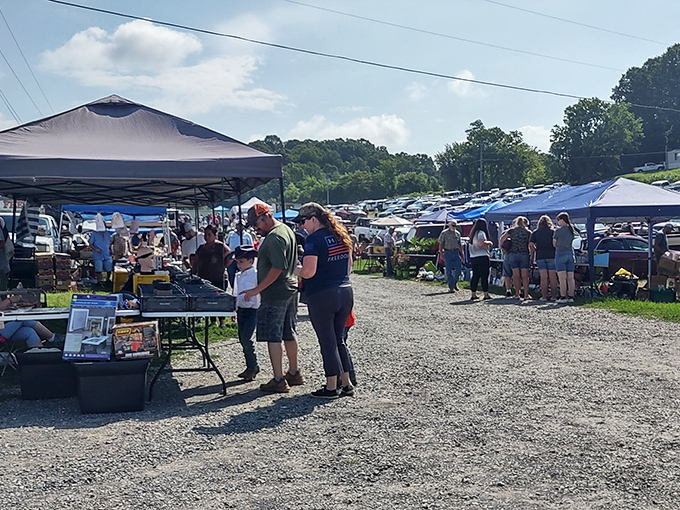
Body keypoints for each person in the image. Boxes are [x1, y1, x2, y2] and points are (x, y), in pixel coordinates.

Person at [294, 203, 354, 398]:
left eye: (303, 222)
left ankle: (330, 386)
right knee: (339, 340)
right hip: (345, 291)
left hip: (322, 294)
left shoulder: (313, 240)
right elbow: (350, 266)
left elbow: (309, 272)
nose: (301, 226)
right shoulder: (340, 235)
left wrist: (294, 269)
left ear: (313, 219)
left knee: (327, 341)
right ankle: (346, 383)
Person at [243, 204, 303, 393]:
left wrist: (256, 289)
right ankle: (294, 372)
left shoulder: (275, 237)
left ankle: (278, 379)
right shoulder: (286, 230)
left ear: (266, 216)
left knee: (273, 336)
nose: (255, 228)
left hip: (275, 292)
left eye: (256, 223)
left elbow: (277, 267)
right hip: (290, 288)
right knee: (288, 331)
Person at [230, 245, 261, 381]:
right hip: (242, 309)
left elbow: (260, 290)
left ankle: (253, 366)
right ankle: (250, 366)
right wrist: (233, 308)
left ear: (250, 261)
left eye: (241, 262)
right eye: (237, 262)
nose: (239, 264)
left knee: (247, 338)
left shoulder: (256, 275)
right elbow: (235, 293)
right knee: (242, 338)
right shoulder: (238, 276)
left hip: (253, 310)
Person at [193, 224, 231, 328]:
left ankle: (222, 320)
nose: (207, 237)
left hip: (218, 278)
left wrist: (223, 265)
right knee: (208, 300)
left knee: (219, 300)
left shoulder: (220, 246)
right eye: (205, 235)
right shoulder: (201, 248)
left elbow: (230, 255)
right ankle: (212, 320)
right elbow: (196, 261)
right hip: (205, 278)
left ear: (215, 235)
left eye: (209, 234)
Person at [500, 216, 532, 300]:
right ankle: (526, 295)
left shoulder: (511, 231)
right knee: (525, 276)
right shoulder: (528, 232)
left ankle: (517, 294)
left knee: (516, 275)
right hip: (524, 254)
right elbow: (530, 244)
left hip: (512, 254)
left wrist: (503, 249)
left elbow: (502, 239)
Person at [530, 215, 558, 301]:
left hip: (540, 256)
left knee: (543, 277)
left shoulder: (535, 232)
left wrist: (534, 251)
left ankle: (544, 296)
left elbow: (531, 244)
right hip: (552, 255)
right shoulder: (553, 232)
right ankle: (554, 296)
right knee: (553, 277)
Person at [553, 211, 577, 303]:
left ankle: (563, 296)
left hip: (560, 254)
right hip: (570, 254)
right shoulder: (571, 229)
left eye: (558, 220)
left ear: (562, 220)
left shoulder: (558, 231)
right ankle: (571, 296)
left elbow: (554, 244)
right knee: (570, 277)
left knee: (562, 278)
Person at [467, 218, 493, 300]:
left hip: (473, 257)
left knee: (475, 275)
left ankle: (473, 293)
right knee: (484, 275)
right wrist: (489, 243)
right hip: (482, 256)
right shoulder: (481, 233)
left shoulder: (472, 234)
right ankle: (486, 294)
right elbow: (481, 243)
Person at [438, 220, 464, 292]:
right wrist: (441, 254)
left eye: (455, 225)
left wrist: (462, 254)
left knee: (458, 269)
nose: (454, 227)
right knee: (448, 270)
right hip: (447, 252)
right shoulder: (444, 233)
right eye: (453, 225)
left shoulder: (457, 234)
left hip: (456, 252)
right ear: (449, 225)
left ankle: (454, 283)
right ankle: (451, 286)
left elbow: (460, 244)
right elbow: (440, 244)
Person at [226, 223, 254, 289]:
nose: (239, 226)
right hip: (232, 258)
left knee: (243, 274)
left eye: (241, 225)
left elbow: (251, 247)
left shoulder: (247, 235)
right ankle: (234, 288)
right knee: (231, 274)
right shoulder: (231, 234)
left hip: (244, 258)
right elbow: (227, 243)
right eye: (238, 225)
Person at [88, 216, 113, 283]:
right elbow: (90, 244)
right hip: (98, 254)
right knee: (98, 269)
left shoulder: (107, 234)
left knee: (109, 268)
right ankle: (98, 281)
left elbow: (110, 242)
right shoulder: (94, 233)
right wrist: (95, 249)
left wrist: (111, 250)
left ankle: (108, 280)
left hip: (107, 253)